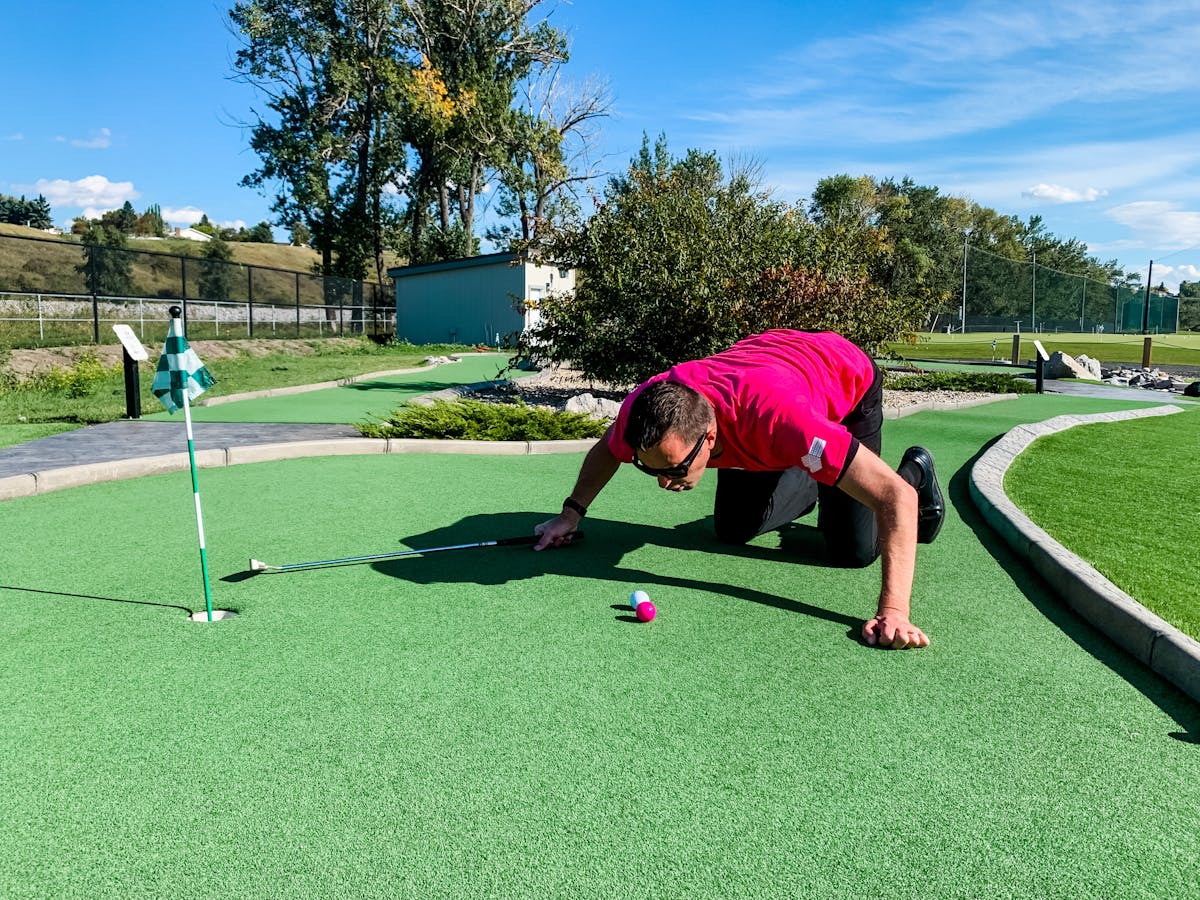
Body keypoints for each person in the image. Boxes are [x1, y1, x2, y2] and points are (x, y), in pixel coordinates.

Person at [533, 329, 945, 649]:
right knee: (733, 529)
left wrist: (895, 612)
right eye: (650, 469)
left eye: (675, 469)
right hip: (765, 373)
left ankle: (915, 469)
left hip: (842, 377)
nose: (663, 481)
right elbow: (608, 449)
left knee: (851, 551)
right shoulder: (648, 408)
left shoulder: (787, 424)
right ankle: (823, 475)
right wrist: (570, 514)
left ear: (709, 435)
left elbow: (895, 498)